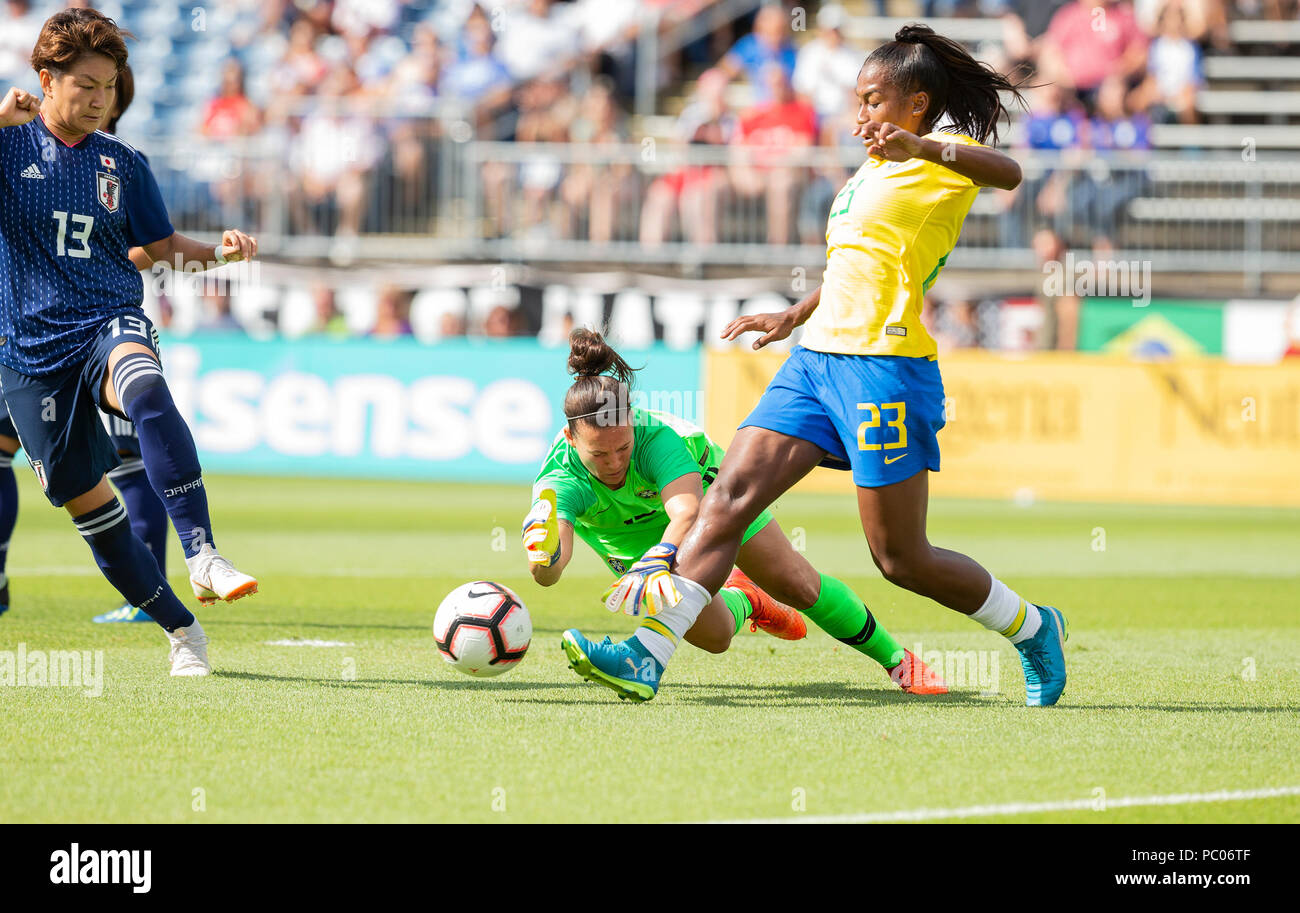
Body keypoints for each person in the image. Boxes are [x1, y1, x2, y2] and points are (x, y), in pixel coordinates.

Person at [562, 25, 1069, 707]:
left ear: (916, 104)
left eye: (874, 101)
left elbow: (1011, 176)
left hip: (884, 369)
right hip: (814, 361)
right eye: (858, 102)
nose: (861, 115)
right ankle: (644, 656)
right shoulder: (870, 171)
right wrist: (793, 315)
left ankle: (1035, 626)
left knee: (900, 559)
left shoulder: (943, 159)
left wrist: (921, 146)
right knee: (728, 499)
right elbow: (855, 266)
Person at [0, 8, 259, 674]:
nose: (97, 99)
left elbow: (163, 245)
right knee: (89, 505)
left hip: (107, 319)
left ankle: (202, 551)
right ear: (46, 77)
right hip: (30, 355)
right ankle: (182, 628)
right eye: (84, 83)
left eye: (107, 87)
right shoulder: (9, 147)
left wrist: (220, 254)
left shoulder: (123, 162)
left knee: (143, 386)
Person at [536, 329, 946, 702]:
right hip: (625, 536)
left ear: (633, 423)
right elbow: (550, 572)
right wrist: (544, 557)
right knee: (713, 636)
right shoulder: (559, 478)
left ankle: (898, 661)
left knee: (796, 584)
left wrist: (660, 556)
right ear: (571, 438)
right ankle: (747, 599)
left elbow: (687, 511)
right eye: (599, 454)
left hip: (709, 495)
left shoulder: (656, 438)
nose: (614, 462)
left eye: (623, 447)